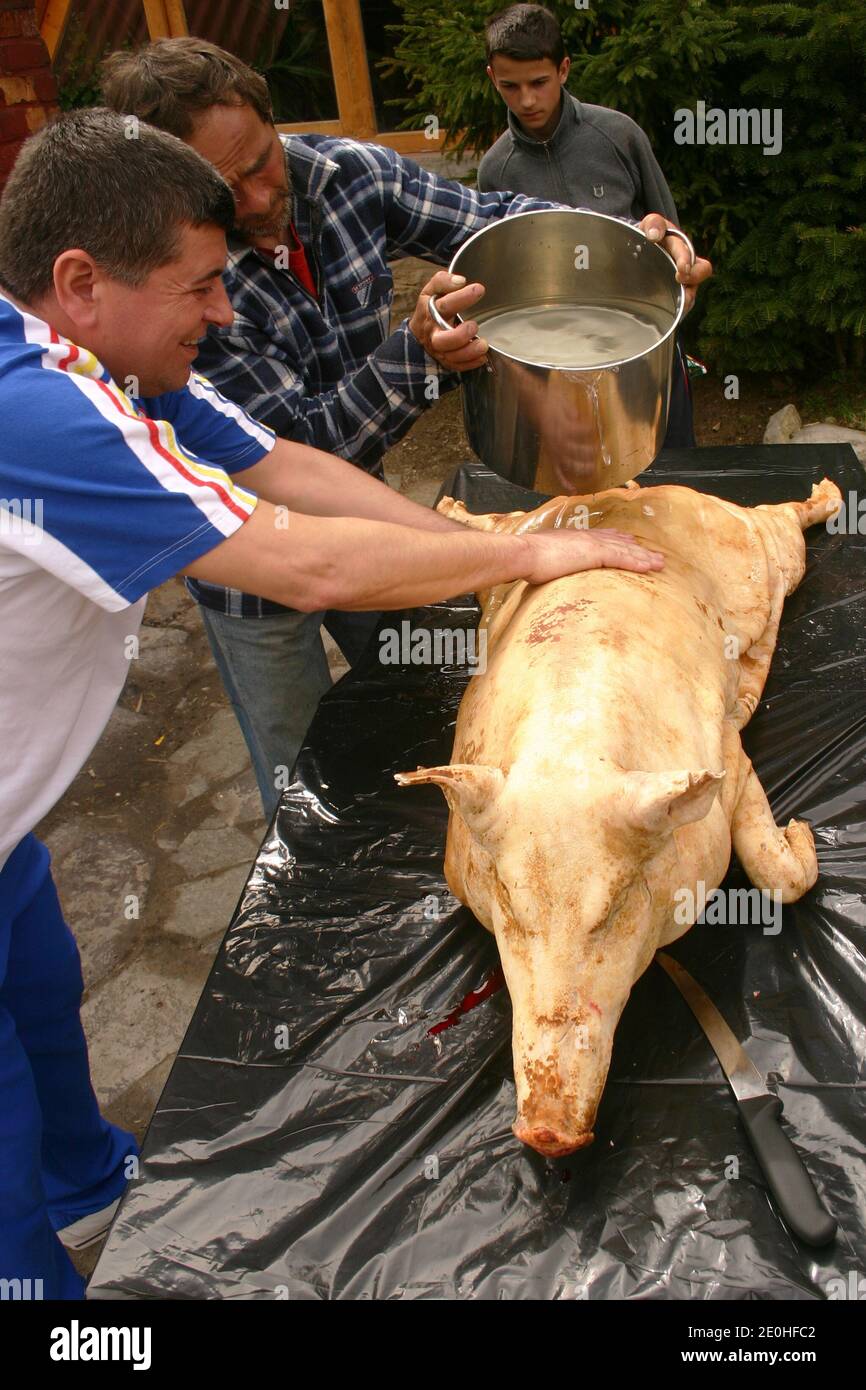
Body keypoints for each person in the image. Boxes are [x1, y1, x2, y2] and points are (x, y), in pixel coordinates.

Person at [0, 108, 665, 1299]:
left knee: (44, 1000)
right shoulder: (42, 414)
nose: (223, 309)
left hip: (8, 838)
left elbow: (284, 467)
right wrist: (520, 565)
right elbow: (296, 559)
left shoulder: (111, 369)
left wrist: (491, 534)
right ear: (80, 282)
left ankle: (92, 1191)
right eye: (201, 287)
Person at [100, 37, 710, 817]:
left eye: (260, 159)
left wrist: (635, 240)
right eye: (224, 187)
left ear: (271, 121)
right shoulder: (174, 291)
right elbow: (300, 452)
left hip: (362, 507)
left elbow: (498, 220)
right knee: (301, 788)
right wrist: (419, 358)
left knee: (426, 707)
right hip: (249, 571)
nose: (256, 198)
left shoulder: (343, 176)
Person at [478, 3, 698, 451]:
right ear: (491, 78)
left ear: (563, 69)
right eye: (510, 86)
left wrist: (681, 267)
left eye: (539, 83)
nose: (527, 101)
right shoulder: (495, 171)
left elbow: (670, 233)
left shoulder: (618, 136)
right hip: (552, 369)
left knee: (670, 478)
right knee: (577, 500)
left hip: (642, 356)